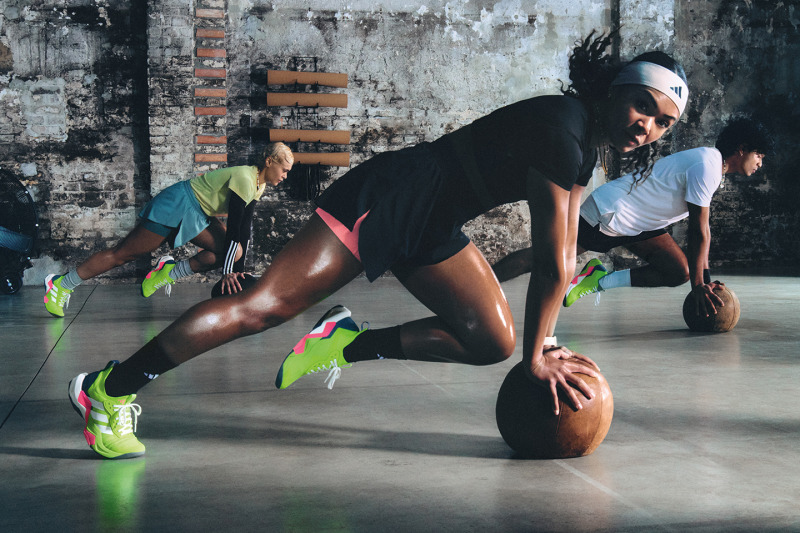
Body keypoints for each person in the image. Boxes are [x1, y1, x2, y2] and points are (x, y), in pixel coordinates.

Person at [67, 31, 688, 459]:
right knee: (263, 307)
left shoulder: (586, 145)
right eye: (643, 106)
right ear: (615, 91)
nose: (647, 127)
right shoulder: (564, 129)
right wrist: (541, 356)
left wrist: (539, 343)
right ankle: (110, 389)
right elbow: (554, 261)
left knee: (490, 340)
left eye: (662, 123)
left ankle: (345, 342)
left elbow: (569, 248)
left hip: (433, 222)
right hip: (391, 197)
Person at [492, 117, 771, 317]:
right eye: (759, 155)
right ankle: (480, 286)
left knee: (678, 271)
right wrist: (700, 285)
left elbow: (700, 231)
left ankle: (596, 279)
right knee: (542, 257)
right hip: (611, 212)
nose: (760, 163)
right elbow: (700, 230)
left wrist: (702, 280)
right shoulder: (708, 164)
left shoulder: (712, 167)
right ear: (742, 148)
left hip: (640, 224)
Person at [43, 142, 294, 317]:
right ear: (269, 161)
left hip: (198, 212)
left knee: (233, 252)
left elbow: (244, 231)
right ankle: (62, 284)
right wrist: (227, 272)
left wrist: (237, 275)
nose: (285, 176)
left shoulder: (258, 185)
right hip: (179, 203)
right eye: (284, 170)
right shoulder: (245, 177)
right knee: (123, 254)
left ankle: (168, 272)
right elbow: (234, 230)